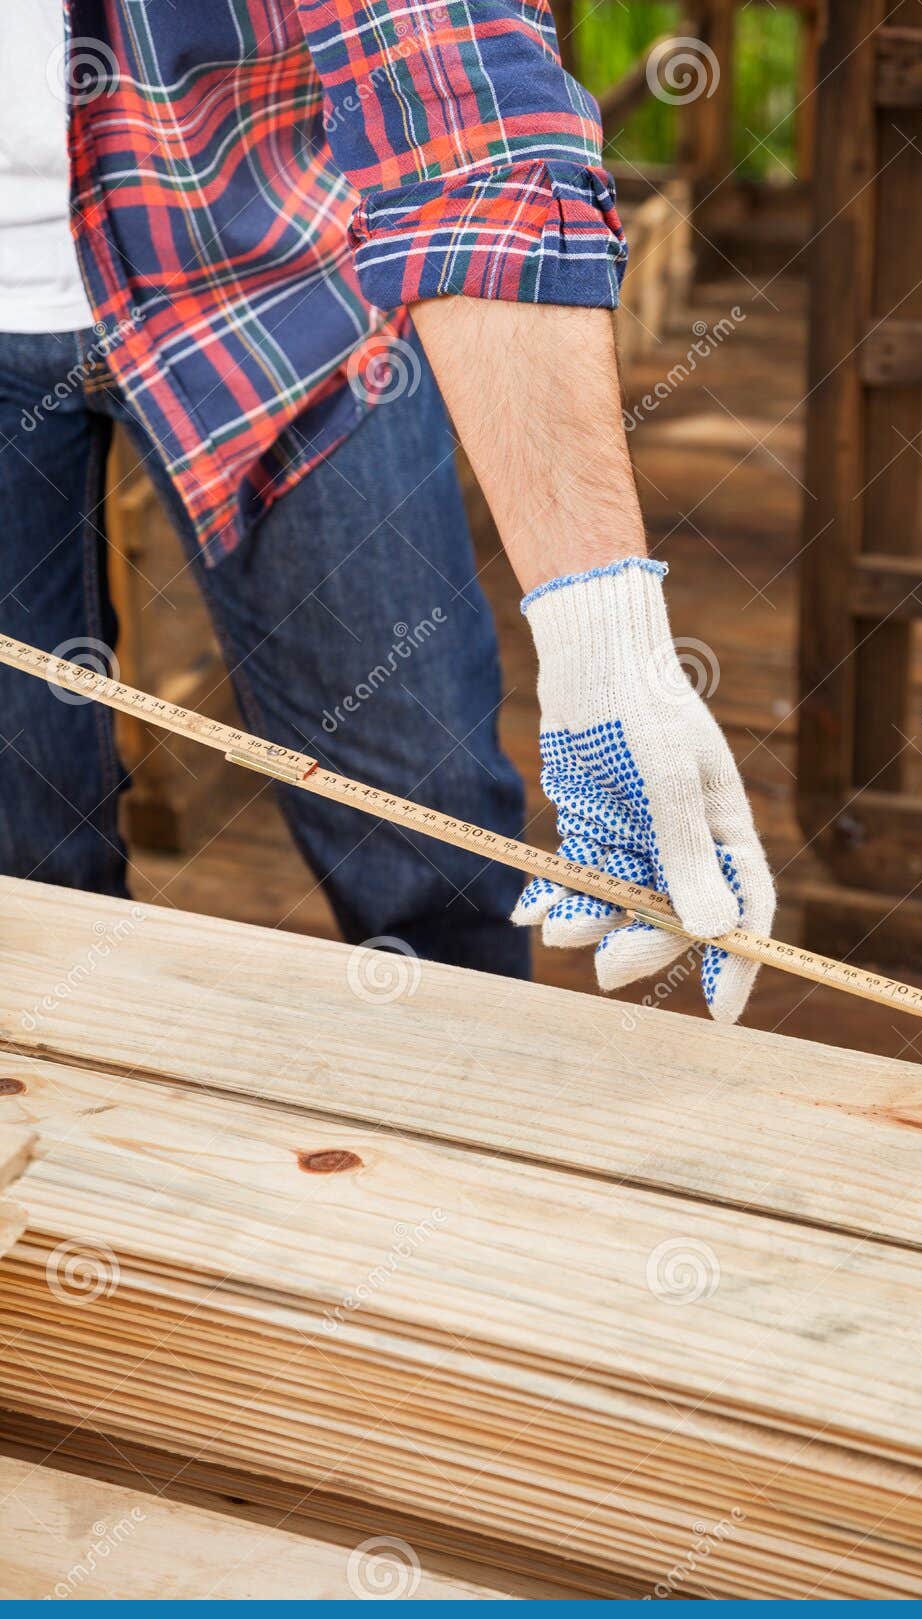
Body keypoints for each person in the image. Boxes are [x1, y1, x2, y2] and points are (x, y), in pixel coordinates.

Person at [0, 1, 774, 1022]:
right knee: (24, 871)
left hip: (285, 289)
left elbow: (456, 79)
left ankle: (473, 1135)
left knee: (430, 840)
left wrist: (607, 640)